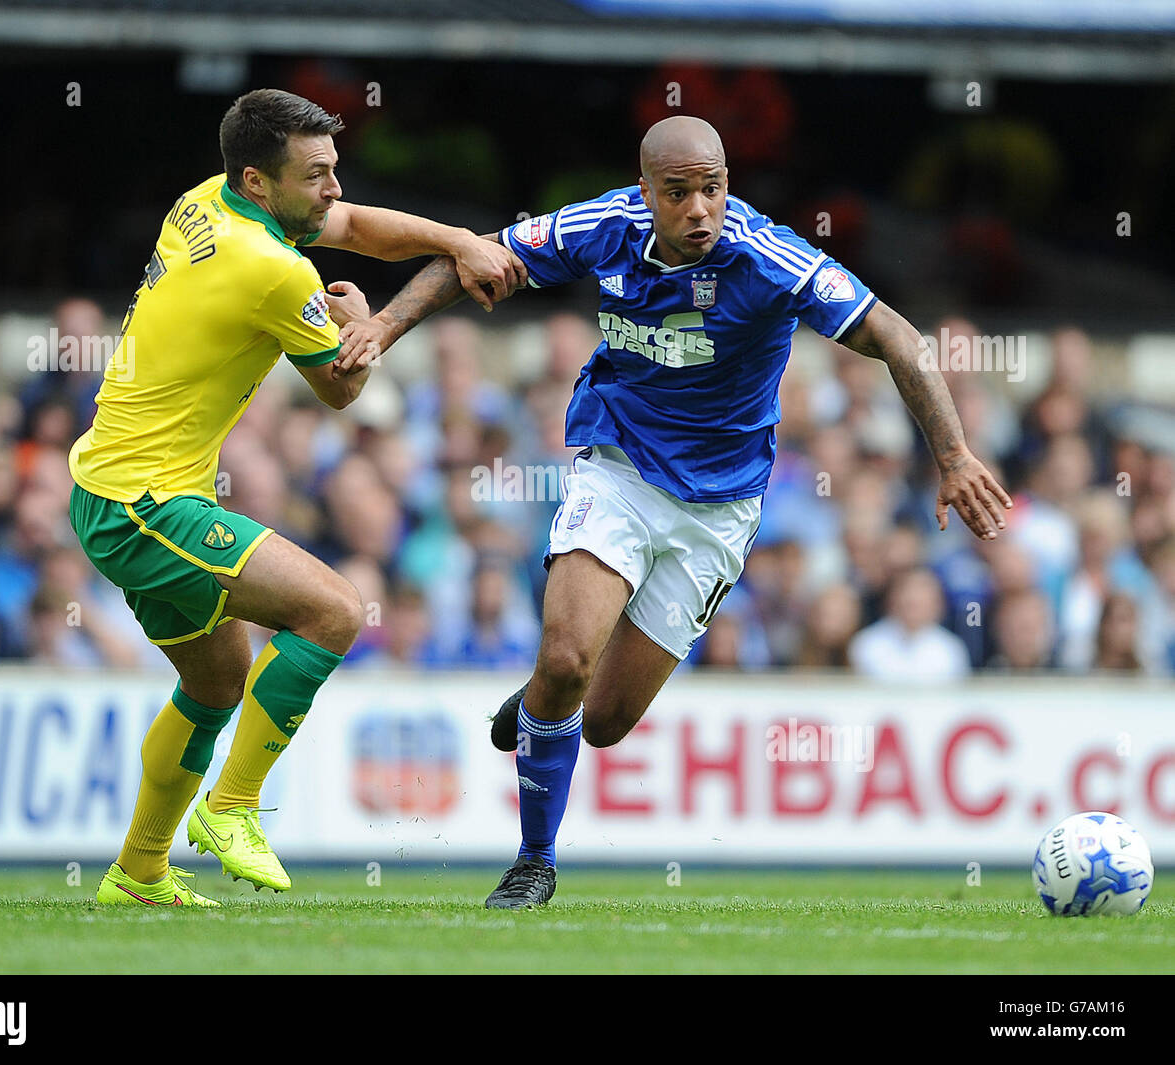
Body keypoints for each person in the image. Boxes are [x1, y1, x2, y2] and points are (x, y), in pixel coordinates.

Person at [338, 115, 1011, 908]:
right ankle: (533, 859)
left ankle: (532, 712)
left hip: (718, 508)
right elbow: (476, 255)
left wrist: (955, 454)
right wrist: (382, 326)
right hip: (617, 466)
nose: (701, 209)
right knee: (564, 659)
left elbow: (895, 333)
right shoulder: (604, 225)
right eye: (681, 193)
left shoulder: (769, 257)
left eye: (715, 189)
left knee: (604, 720)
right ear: (647, 190)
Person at [68, 88, 523, 908]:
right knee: (338, 611)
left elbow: (347, 227)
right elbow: (342, 392)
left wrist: (458, 240)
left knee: (216, 684)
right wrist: (363, 317)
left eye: (334, 169)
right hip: (144, 504)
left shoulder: (206, 201)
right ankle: (232, 806)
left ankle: (135, 873)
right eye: (317, 174)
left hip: (111, 489)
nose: (334, 189)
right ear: (259, 178)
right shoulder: (273, 270)